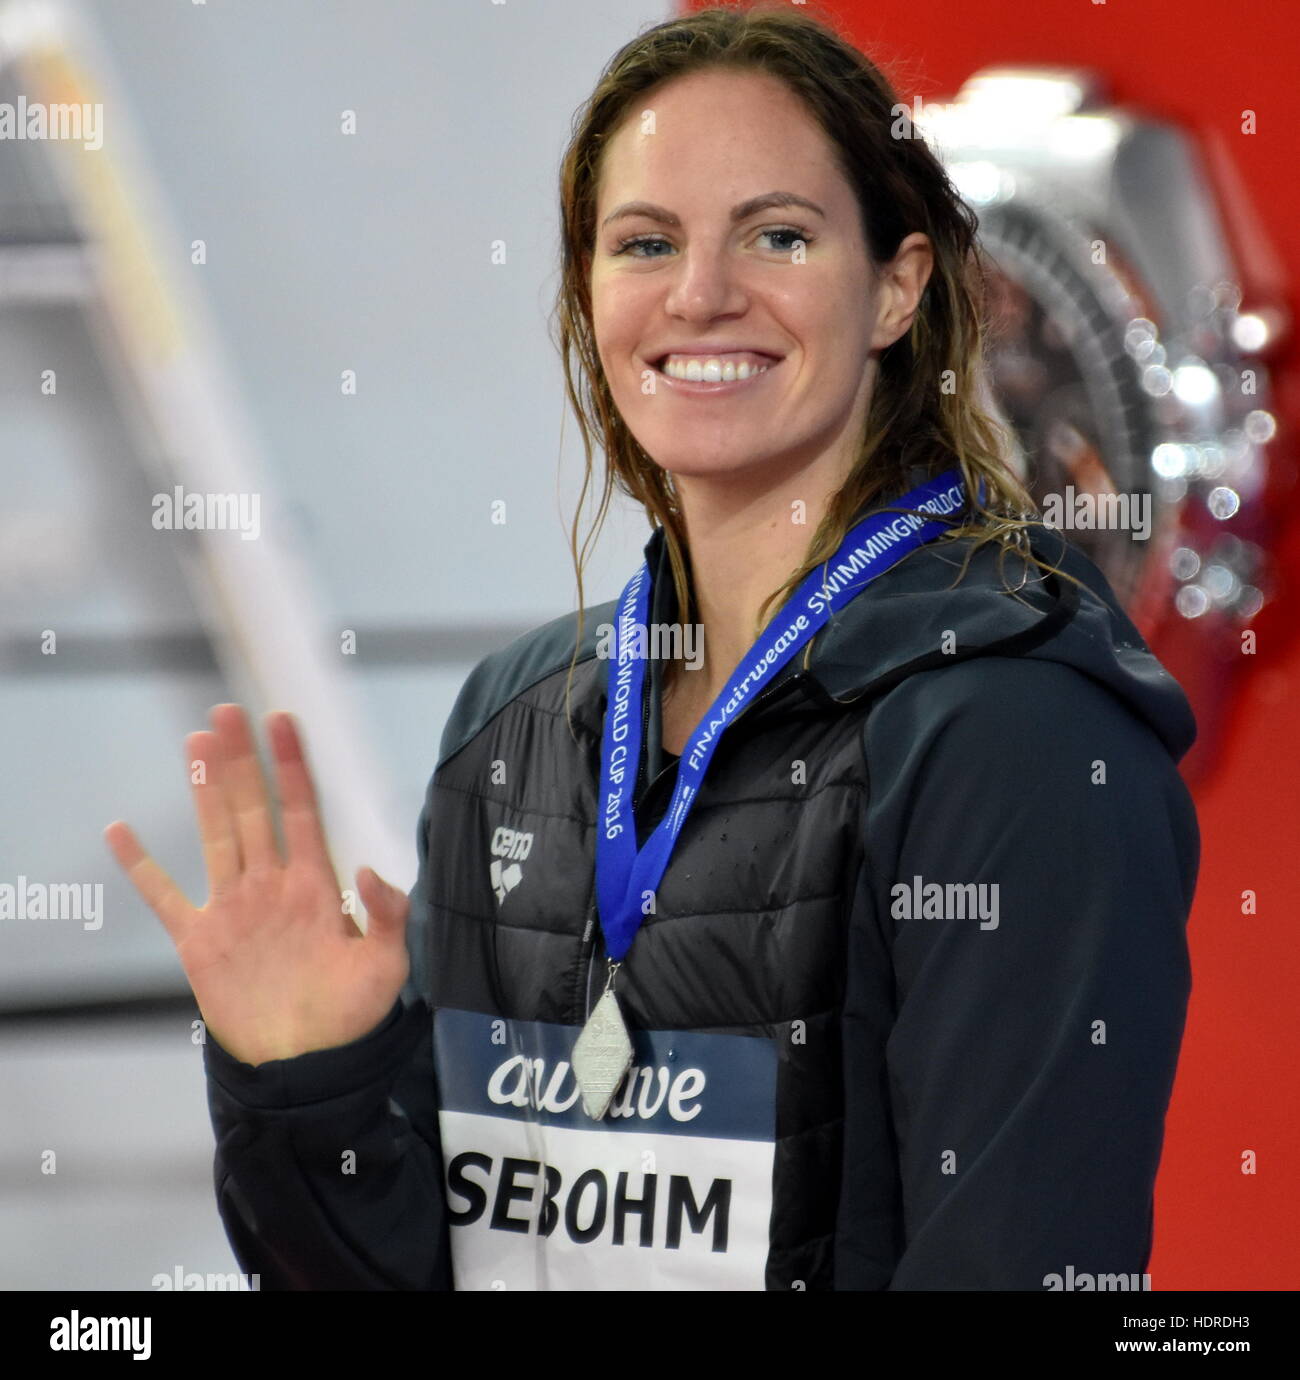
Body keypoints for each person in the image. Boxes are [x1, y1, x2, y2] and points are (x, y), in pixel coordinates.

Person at [104, 5, 1199, 1290]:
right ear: (588, 291)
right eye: (645, 243)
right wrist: (307, 1088)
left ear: (897, 288)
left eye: (776, 235)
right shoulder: (513, 721)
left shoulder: (1010, 735)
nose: (701, 294)